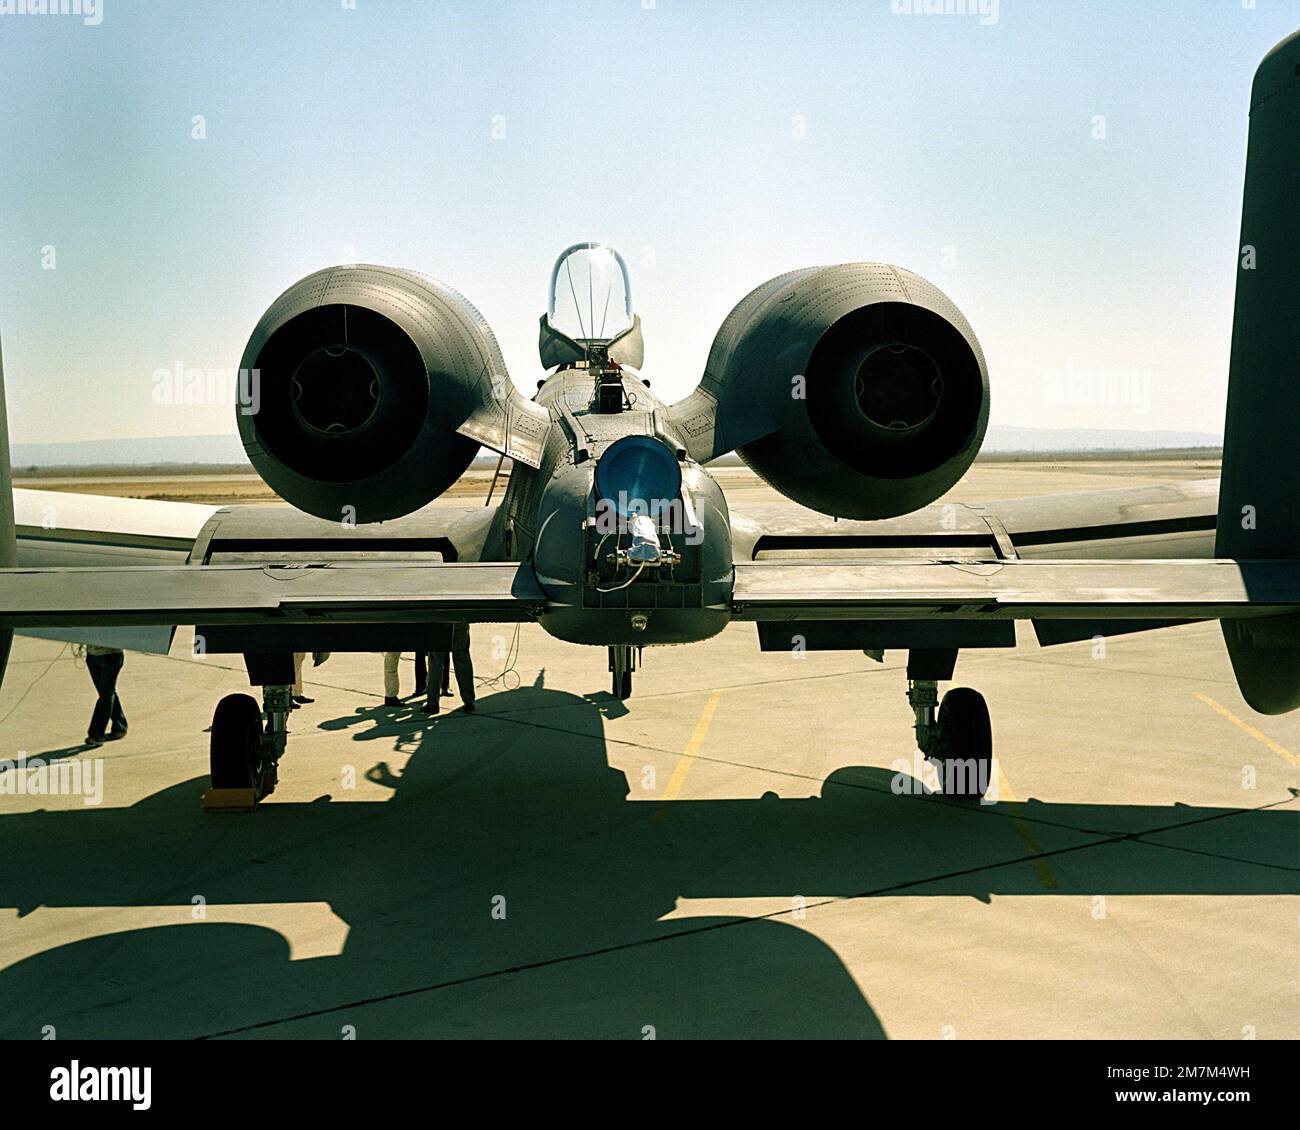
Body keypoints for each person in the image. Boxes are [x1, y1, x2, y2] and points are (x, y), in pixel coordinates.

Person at [84, 645, 127, 747]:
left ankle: (97, 734)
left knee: (106, 694)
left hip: (111, 655)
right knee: (107, 692)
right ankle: (120, 726)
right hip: (92, 655)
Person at [425, 624, 475, 715]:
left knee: (435, 662)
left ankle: (432, 703)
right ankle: (468, 700)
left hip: (439, 622)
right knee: (462, 660)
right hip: (459, 620)